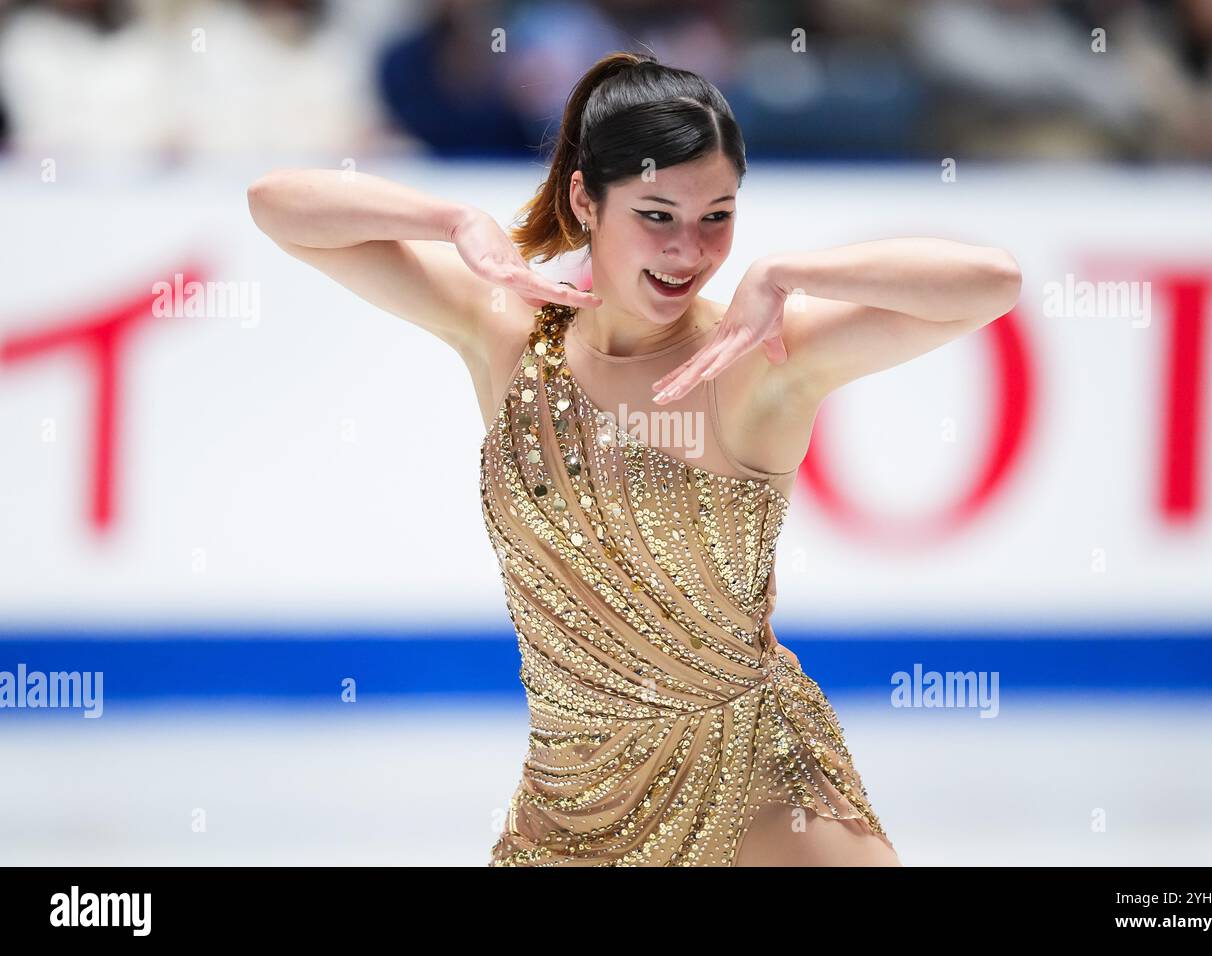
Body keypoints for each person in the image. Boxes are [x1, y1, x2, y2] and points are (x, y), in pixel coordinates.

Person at [247, 50, 1020, 866]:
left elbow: (990, 282)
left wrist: (789, 272)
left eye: (717, 217)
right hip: (569, 809)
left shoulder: (758, 361)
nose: (689, 250)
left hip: (756, 785)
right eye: (657, 214)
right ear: (585, 199)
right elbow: (276, 206)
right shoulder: (505, 333)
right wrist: (451, 221)